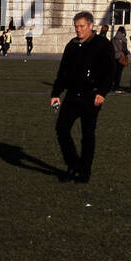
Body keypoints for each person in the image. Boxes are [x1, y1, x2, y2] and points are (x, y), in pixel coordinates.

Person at [50, 11, 114, 183]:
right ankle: (73, 164)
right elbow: (62, 72)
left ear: (91, 26)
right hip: (72, 95)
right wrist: (56, 93)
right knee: (61, 129)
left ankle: (85, 171)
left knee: (87, 134)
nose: (78, 30)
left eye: (82, 26)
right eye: (76, 26)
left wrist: (102, 92)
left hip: (91, 96)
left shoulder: (102, 44)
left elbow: (110, 72)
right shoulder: (71, 45)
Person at [111, 25, 129, 92]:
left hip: (114, 57)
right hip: (120, 56)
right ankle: (116, 86)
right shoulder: (123, 39)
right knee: (119, 73)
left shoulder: (113, 39)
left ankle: (112, 85)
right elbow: (125, 49)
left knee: (114, 72)